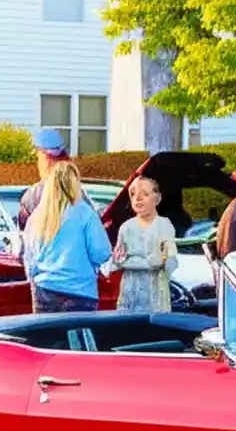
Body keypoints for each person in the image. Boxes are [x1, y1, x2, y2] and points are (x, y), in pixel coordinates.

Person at [23, 161, 112, 312]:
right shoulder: (86, 214)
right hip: (80, 290)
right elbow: (101, 253)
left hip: (44, 288)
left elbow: (29, 257)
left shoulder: (37, 216)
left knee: (48, 335)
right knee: (78, 335)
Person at [110, 176, 179, 312]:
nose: (138, 198)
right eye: (133, 194)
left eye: (145, 194)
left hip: (155, 292)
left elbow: (167, 259)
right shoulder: (126, 228)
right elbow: (117, 260)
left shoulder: (164, 225)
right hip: (130, 291)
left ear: (157, 198)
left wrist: (161, 260)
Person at [18, 128, 71, 230]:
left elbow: (22, 231)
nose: (38, 165)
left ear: (47, 160)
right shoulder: (79, 194)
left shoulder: (33, 195)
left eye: (38, 158)